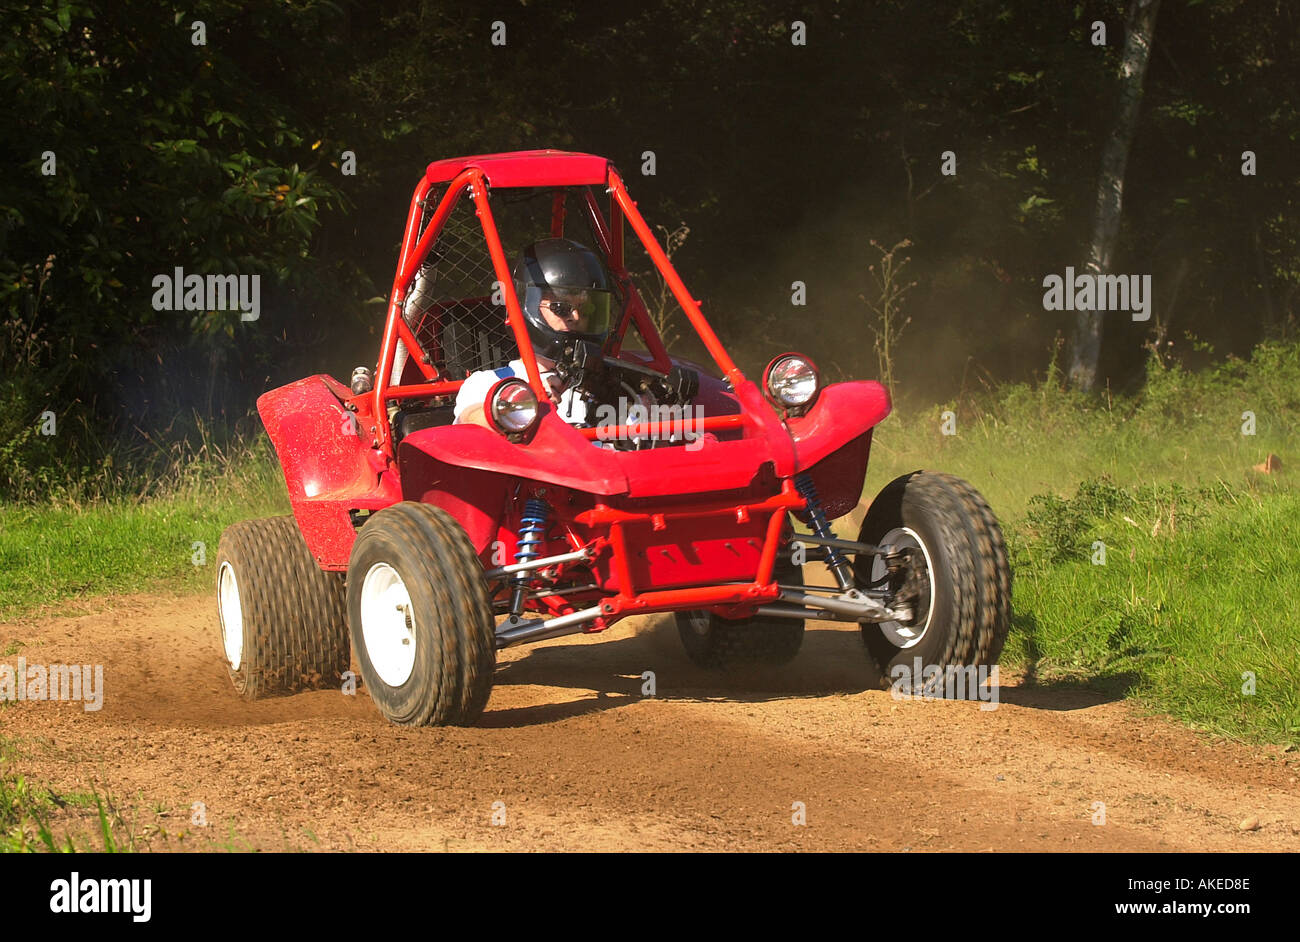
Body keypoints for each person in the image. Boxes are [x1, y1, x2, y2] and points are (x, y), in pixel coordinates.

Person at [454, 238, 618, 428]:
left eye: (586, 308)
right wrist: (523, 403)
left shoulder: (607, 384)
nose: (575, 316)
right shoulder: (487, 383)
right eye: (560, 307)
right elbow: (469, 422)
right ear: (528, 307)